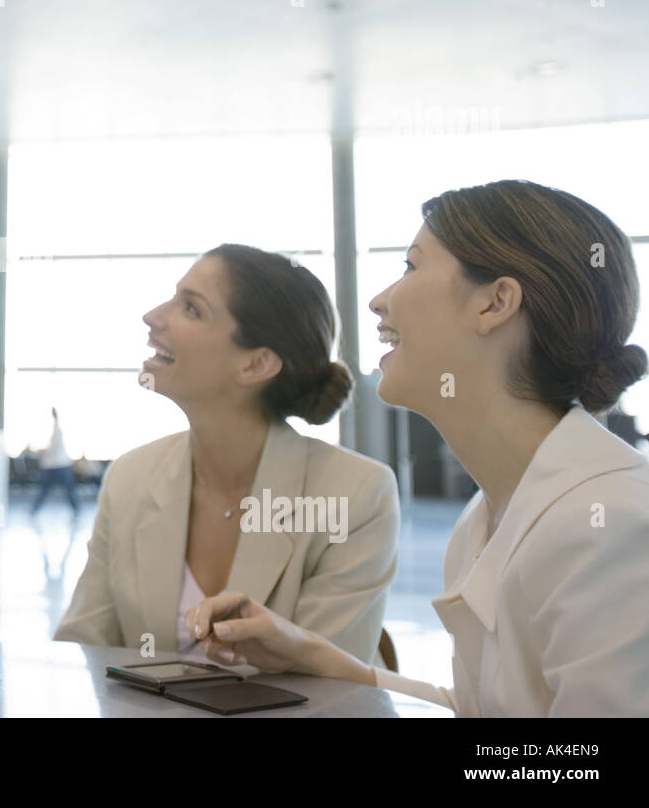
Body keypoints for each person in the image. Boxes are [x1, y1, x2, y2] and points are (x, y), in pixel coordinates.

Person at [191, 181, 649, 716]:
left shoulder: (610, 524)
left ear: (495, 302)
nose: (378, 300)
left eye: (411, 267)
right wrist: (315, 656)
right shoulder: (488, 516)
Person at [55, 245, 400, 666]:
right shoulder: (132, 477)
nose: (153, 317)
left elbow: (325, 688)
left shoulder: (355, 495)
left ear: (256, 364)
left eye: (191, 309)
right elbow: (81, 648)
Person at [32, 407, 79, 517]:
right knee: (48, 489)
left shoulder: (57, 429)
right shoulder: (55, 428)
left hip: (57, 464)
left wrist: (43, 452)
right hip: (57, 465)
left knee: (64, 489)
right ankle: (34, 510)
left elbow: (54, 448)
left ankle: (77, 510)